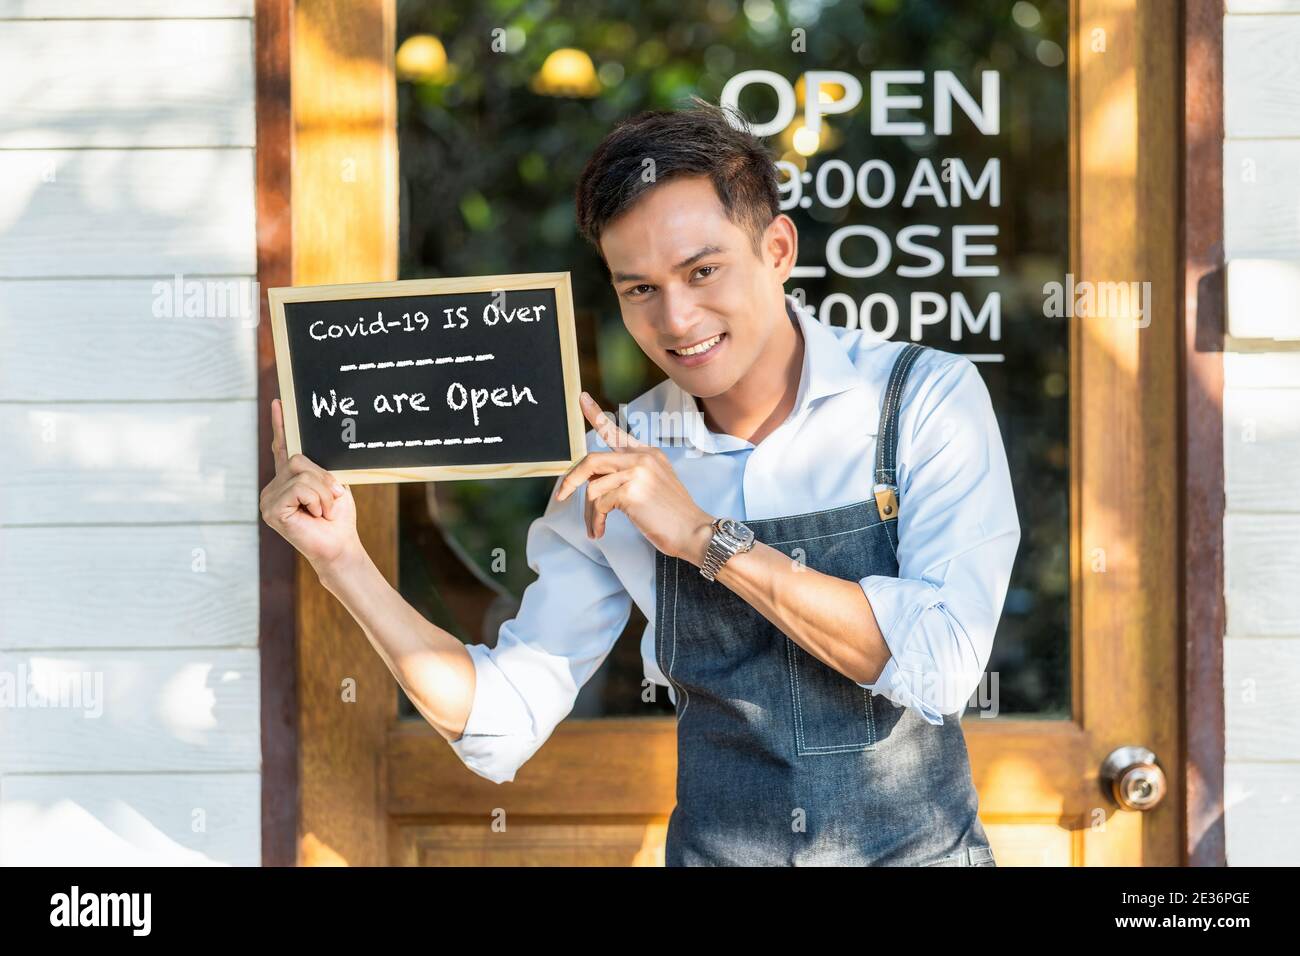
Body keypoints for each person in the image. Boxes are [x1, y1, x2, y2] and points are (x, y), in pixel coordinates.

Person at [259, 99, 1020, 866]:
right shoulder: (614, 468)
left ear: (778, 248)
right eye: (640, 289)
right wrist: (341, 561)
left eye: (703, 270)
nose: (679, 318)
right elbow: (500, 718)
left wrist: (701, 538)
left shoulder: (925, 399)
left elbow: (940, 662)